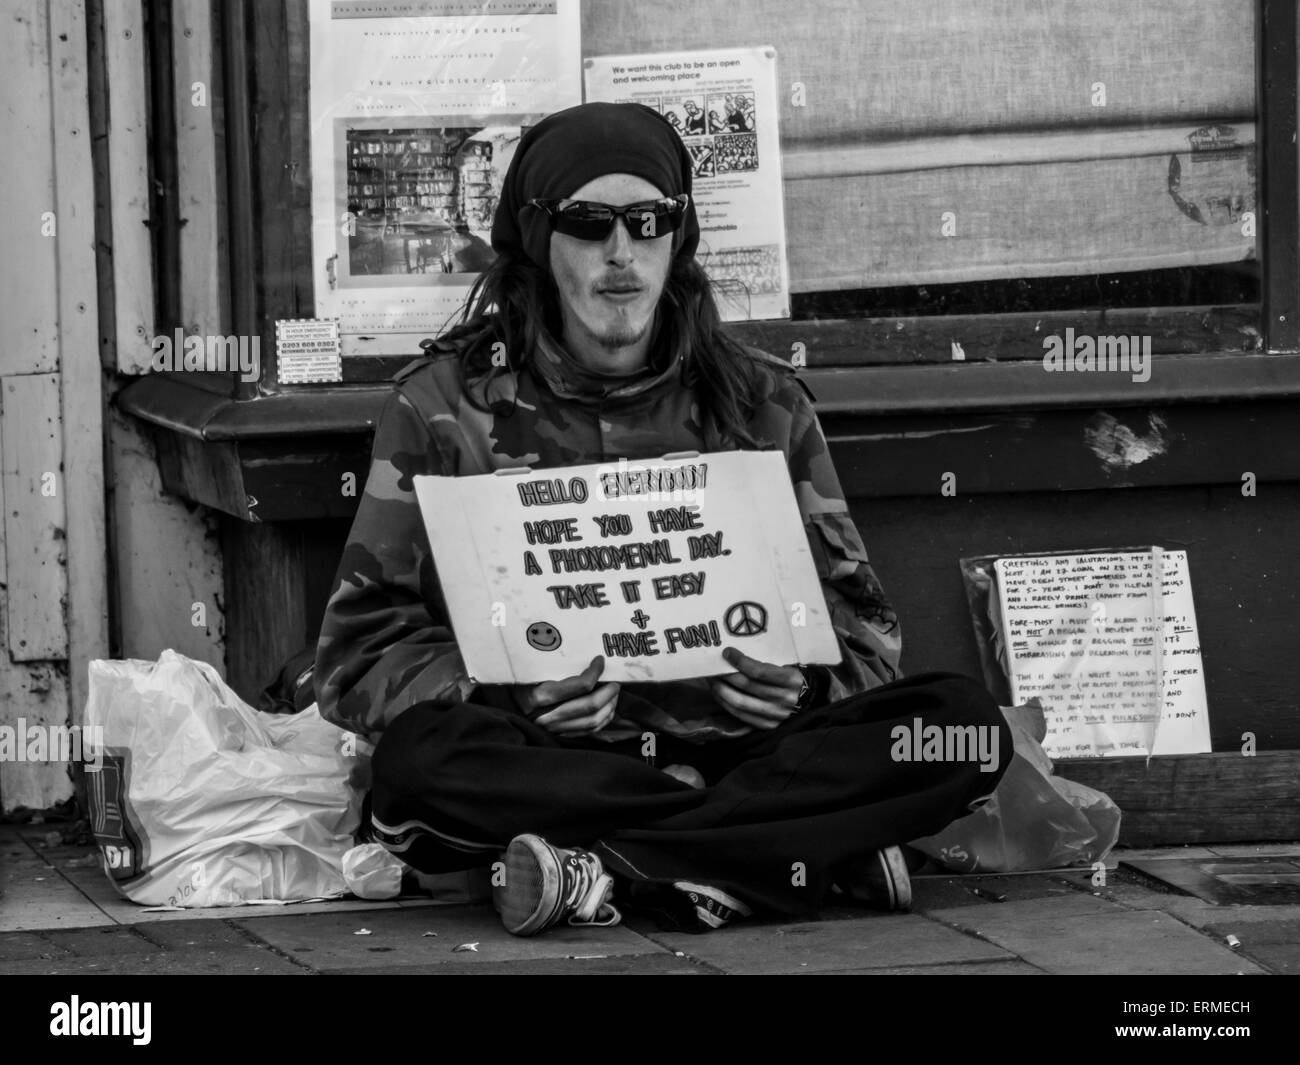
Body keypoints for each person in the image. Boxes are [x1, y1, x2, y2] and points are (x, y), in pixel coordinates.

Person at [315, 102, 1010, 937]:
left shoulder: (762, 403)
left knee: (961, 729)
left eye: (649, 223)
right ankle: (776, 854)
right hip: (555, 760)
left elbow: (865, 633)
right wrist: (507, 687)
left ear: (678, 238)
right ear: (539, 240)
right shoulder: (440, 407)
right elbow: (357, 658)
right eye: (588, 223)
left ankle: (613, 866)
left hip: (748, 751)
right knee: (417, 764)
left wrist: (802, 687)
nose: (622, 254)